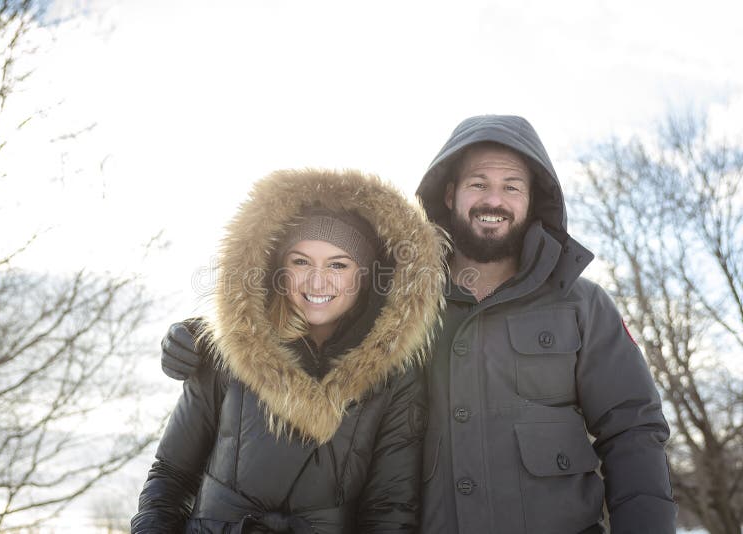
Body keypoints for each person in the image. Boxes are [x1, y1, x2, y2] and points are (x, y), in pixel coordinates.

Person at [161, 116, 677, 534]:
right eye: (479, 184)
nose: (494, 200)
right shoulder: (396, 304)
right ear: (450, 194)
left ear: (531, 200)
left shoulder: (582, 304)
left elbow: (633, 430)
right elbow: (302, 314)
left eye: (511, 186)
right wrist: (203, 335)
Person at [132, 168, 447, 533]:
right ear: (280, 268)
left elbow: (389, 511)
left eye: (338, 265)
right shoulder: (228, 350)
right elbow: (170, 477)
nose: (317, 280)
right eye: (301, 261)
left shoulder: (394, 376)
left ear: (363, 275)